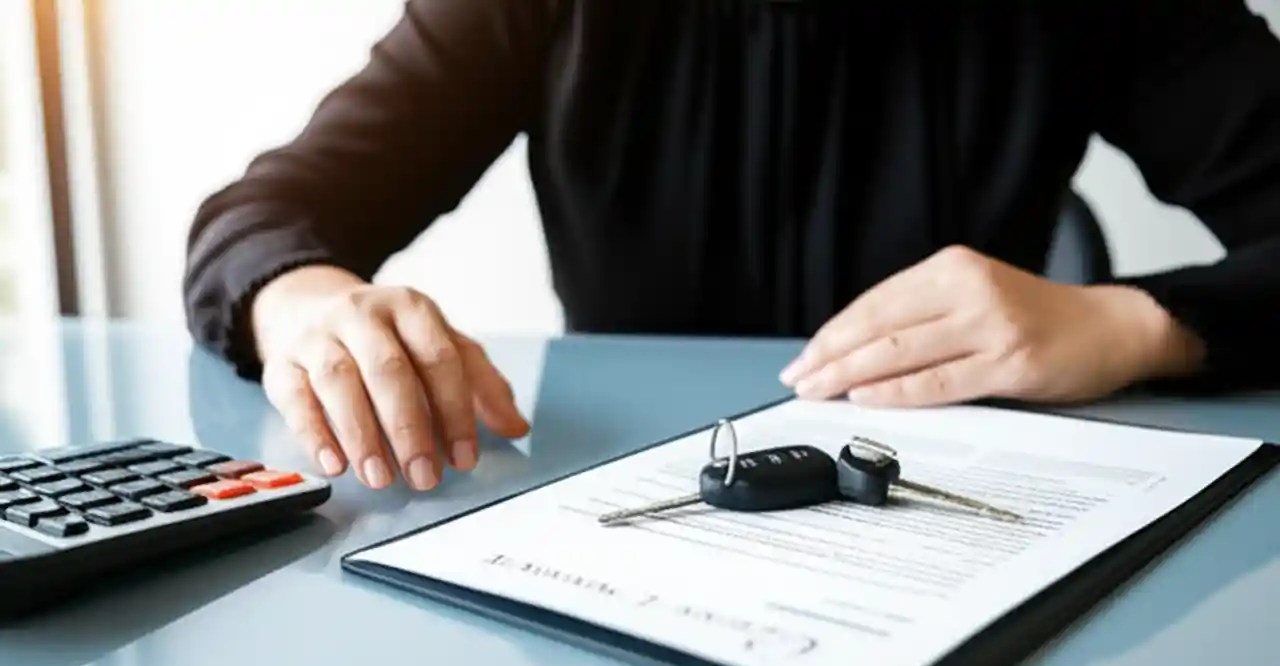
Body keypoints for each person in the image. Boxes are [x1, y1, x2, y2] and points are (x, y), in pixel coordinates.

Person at [184, 1, 1280, 492]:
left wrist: (1136, 323)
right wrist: (310, 306)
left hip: (962, 517)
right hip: (611, 525)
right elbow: (262, 217)